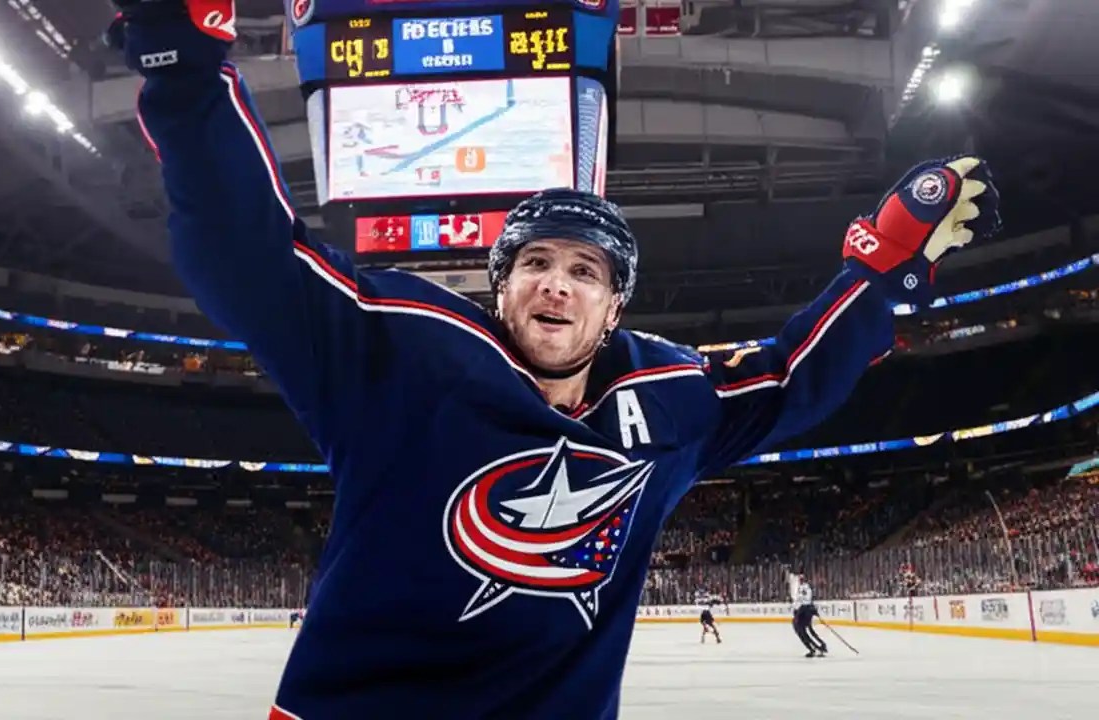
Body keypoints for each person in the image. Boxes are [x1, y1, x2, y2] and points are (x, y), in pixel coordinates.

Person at [107, 2, 1000, 716]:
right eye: (534, 263)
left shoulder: (668, 402)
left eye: (585, 272)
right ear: (502, 289)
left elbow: (788, 378)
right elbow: (250, 255)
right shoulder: (408, 354)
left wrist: (882, 276)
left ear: (614, 306)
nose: (556, 286)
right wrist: (183, 65)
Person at [790, 573, 828, 657]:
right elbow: (797, 600)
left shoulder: (806, 588)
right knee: (802, 632)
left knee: (806, 631)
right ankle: (813, 648)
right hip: (800, 612)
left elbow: (807, 600)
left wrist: (801, 611)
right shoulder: (799, 588)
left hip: (804, 612)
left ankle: (818, 647)